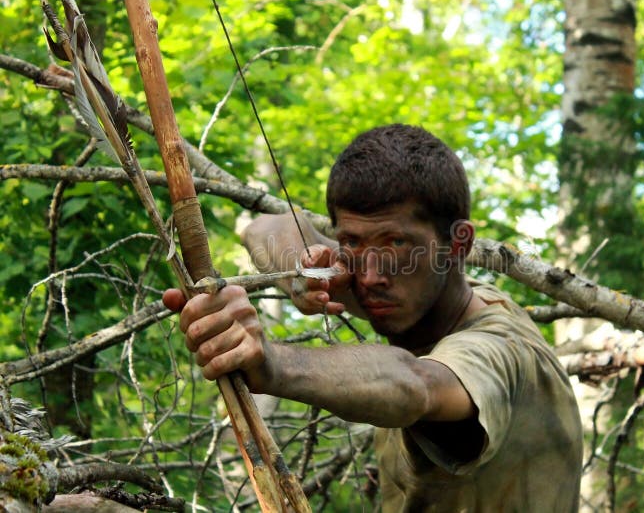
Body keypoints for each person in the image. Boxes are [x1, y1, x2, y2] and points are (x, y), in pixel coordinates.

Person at [162, 124, 583, 511]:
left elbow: (414, 384)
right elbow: (268, 226)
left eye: (398, 243)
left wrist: (269, 363)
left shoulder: (500, 347)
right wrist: (304, 275)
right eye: (354, 243)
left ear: (458, 245)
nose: (372, 275)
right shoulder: (417, 297)